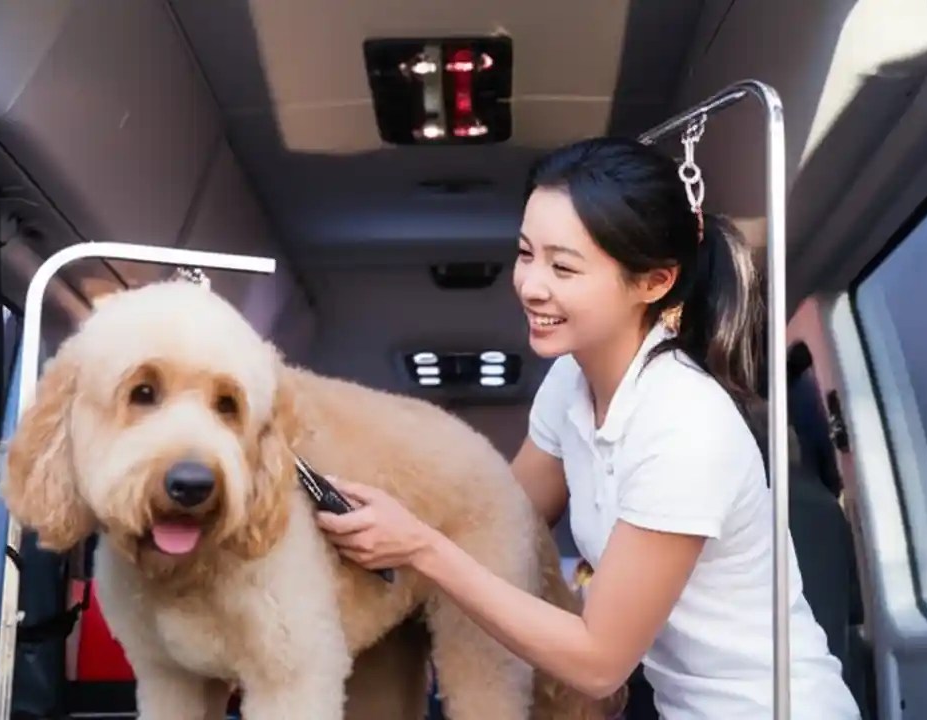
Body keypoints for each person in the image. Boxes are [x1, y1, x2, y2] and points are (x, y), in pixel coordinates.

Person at [315, 137, 860, 719]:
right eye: (526, 254)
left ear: (653, 282)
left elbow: (599, 664)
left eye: (563, 266)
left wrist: (422, 547)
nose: (531, 285)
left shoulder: (687, 429)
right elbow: (504, 521)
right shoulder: (567, 383)